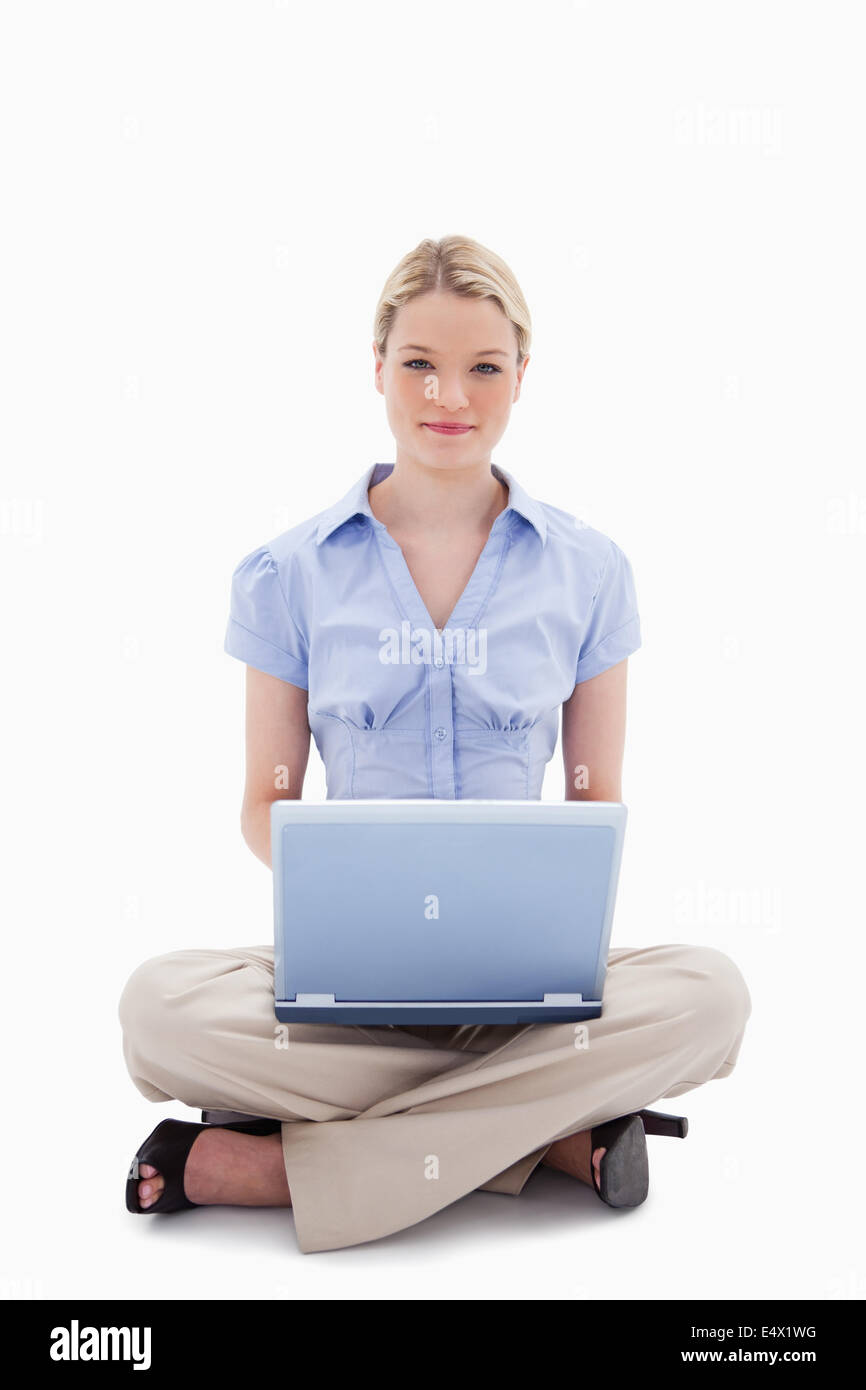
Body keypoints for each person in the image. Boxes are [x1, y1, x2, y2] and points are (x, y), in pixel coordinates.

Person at [118, 235, 752, 1255]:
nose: (446, 393)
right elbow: (262, 799)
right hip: (341, 993)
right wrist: (348, 887)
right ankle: (540, 1138)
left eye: (482, 367)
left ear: (520, 377)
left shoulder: (589, 572)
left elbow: (595, 802)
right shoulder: (288, 574)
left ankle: (281, 1160)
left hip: (524, 995)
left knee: (710, 996)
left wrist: (532, 902)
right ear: (376, 369)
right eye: (417, 362)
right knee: (156, 1010)